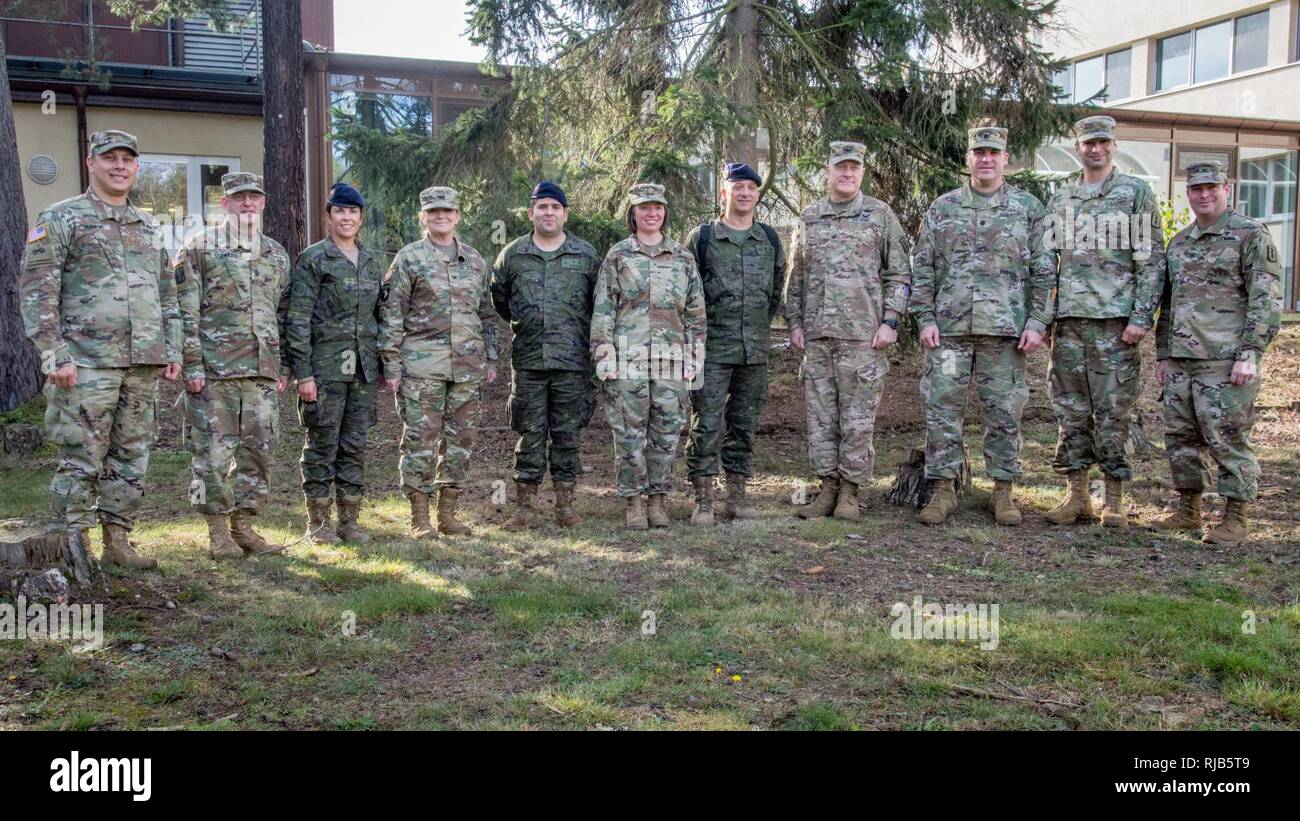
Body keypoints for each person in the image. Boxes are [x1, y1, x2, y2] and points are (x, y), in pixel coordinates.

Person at [19, 129, 182, 569]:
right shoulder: (60, 218)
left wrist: (174, 349)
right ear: (91, 163)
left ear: (136, 167)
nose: (119, 166)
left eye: (127, 159)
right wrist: (53, 352)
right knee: (81, 455)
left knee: (131, 455)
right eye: (109, 158)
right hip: (85, 362)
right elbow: (37, 291)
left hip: (142, 362)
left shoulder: (147, 225)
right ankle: (72, 548)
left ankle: (118, 541)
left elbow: (167, 294)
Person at [909, 125, 1056, 526]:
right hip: (950, 334)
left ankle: (1003, 492)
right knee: (942, 409)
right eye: (979, 152)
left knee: (1005, 412)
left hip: (1005, 334)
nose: (986, 158)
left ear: (1005, 158)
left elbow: (1044, 271)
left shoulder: (1028, 208)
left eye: (993, 152)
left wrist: (1038, 321)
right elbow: (922, 266)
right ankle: (942, 490)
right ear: (968, 158)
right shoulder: (943, 208)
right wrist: (924, 317)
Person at [1043, 115, 1166, 528]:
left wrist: (1141, 317)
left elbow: (1151, 260)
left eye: (1103, 142)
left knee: (1114, 413)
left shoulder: (1135, 192)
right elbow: (1047, 261)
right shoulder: (1062, 196)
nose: (1095, 149)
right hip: (1070, 323)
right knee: (1070, 411)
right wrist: (1044, 317)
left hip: (1116, 325)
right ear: (1077, 147)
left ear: (1113, 144)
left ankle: (1113, 499)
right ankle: (1077, 496)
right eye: (1088, 143)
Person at [1151, 160, 1282, 545]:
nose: (1204, 194)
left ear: (1227, 188)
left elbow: (1266, 300)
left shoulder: (1250, 235)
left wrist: (1250, 353)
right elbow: (1169, 305)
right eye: (1196, 189)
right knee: (1180, 438)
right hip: (1181, 361)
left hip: (1225, 361)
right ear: (1187, 193)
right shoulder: (1180, 242)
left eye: (1212, 187)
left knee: (1227, 437)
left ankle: (1236, 517)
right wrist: (1163, 355)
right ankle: (1188, 511)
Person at [783, 142, 911, 522]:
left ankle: (851, 493)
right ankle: (827, 489)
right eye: (841, 167)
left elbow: (900, 274)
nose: (848, 173)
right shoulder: (810, 217)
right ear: (828, 170)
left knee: (857, 419)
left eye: (854, 167)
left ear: (862, 172)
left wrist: (891, 321)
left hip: (863, 336)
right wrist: (795, 323)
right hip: (819, 336)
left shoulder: (879, 215)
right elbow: (797, 277)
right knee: (821, 418)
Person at [176, 172, 291, 558]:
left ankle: (245, 527)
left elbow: (284, 314)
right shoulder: (201, 247)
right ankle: (217, 533)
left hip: (261, 372)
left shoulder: (276, 253)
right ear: (224, 203)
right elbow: (184, 312)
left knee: (257, 452)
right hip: (215, 371)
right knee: (211, 455)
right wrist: (191, 366)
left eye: (253, 198)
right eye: (239, 198)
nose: (247, 204)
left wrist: (284, 365)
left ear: (262, 203)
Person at [378, 186, 499, 537]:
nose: (441, 216)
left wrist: (491, 357)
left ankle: (448, 514)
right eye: (433, 212)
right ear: (424, 217)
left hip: (466, 369)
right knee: (420, 442)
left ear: (457, 216)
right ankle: (419, 518)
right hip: (421, 367)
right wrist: (391, 363)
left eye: (447, 211)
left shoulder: (475, 260)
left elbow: (486, 315)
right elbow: (392, 314)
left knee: (461, 442)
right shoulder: (409, 259)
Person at [591, 183, 707, 530]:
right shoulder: (618, 256)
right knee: (629, 433)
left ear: (665, 212)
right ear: (634, 213)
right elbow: (603, 308)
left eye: (657, 207)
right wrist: (603, 352)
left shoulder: (683, 257)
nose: (651, 213)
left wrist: (694, 354)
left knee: (666, 431)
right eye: (644, 208)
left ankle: (658, 500)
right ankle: (633, 502)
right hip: (628, 360)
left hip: (671, 360)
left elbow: (696, 313)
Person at [491, 181, 601, 529]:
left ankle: (565, 507)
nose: (549, 213)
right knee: (530, 434)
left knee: (568, 435)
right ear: (531, 213)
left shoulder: (586, 255)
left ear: (565, 214)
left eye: (555, 207)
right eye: (542, 207)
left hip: (572, 363)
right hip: (529, 362)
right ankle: (525, 509)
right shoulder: (512, 255)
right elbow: (500, 299)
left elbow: (599, 303)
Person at [682, 162, 786, 525]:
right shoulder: (703, 238)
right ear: (723, 193)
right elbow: (686, 291)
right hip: (710, 350)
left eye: (750, 188)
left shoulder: (769, 239)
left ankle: (736, 496)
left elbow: (774, 292)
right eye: (737, 186)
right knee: (706, 423)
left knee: (744, 424)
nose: (744, 193)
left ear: (758, 194)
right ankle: (704, 499)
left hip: (754, 350)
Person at [282, 182, 384, 544]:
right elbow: (297, 318)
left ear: (361, 218)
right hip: (324, 370)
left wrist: (383, 366)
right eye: (340, 211)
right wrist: (303, 373)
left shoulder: (372, 261)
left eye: (353, 212)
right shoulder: (313, 259)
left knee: (354, 445)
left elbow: (379, 316)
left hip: (362, 371)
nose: (347, 217)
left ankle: (349, 522)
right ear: (329, 216)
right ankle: (319, 524)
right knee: (322, 445)